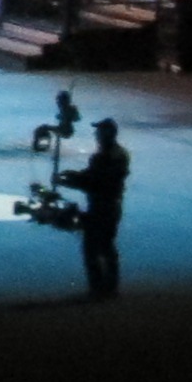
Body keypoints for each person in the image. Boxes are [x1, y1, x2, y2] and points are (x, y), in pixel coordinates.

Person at [55, 117, 129, 298]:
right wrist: (71, 176)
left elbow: (95, 182)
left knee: (93, 248)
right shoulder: (117, 154)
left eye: (99, 132)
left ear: (106, 134)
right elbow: (90, 176)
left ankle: (100, 288)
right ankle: (109, 287)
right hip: (110, 206)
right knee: (106, 246)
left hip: (102, 206)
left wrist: (68, 182)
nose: (96, 135)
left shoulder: (105, 157)